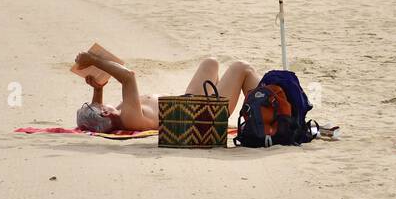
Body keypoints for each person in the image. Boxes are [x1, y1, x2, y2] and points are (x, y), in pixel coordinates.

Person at [73, 50, 260, 133]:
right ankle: (267, 112)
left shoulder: (121, 114)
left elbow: (99, 111)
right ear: (106, 112)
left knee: (210, 63)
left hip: (191, 103)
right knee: (241, 67)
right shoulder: (129, 117)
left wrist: (98, 90)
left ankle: (263, 105)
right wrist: (94, 60)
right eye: (100, 105)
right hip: (204, 115)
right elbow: (128, 77)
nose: (104, 104)